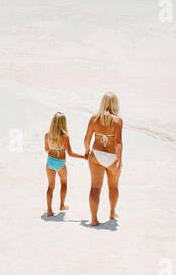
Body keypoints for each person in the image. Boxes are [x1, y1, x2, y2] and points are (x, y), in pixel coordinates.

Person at [84, 92, 123, 226]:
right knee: (113, 187)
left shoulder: (94, 119)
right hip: (111, 158)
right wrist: (120, 161)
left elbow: (87, 139)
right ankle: (112, 213)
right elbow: (118, 143)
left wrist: (86, 151)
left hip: (96, 156)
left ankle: (94, 219)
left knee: (95, 188)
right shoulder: (117, 120)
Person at [43, 112, 86, 218]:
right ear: (63, 123)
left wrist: (53, 148)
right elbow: (70, 154)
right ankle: (62, 205)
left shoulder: (47, 135)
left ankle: (49, 210)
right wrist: (84, 157)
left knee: (50, 186)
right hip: (61, 163)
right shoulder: (65, 137)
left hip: (50, 162)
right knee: (64, 183)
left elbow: (46, 149)